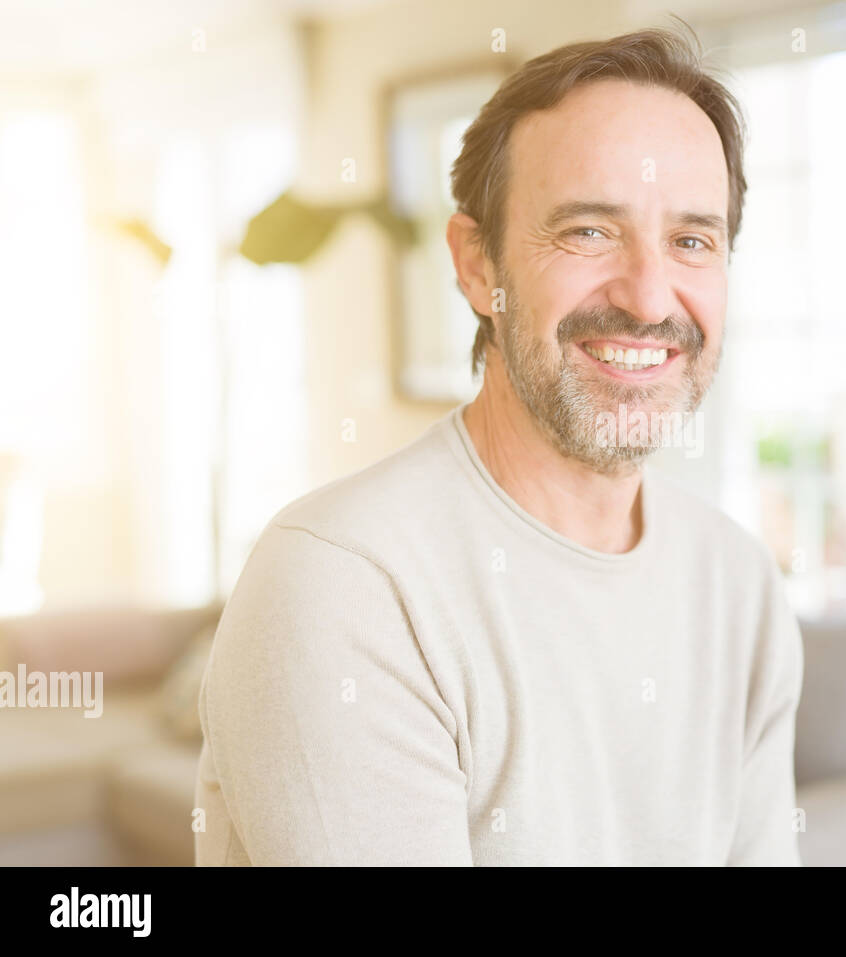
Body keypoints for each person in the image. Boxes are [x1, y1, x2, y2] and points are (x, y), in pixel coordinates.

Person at [194, 22, 804, 866]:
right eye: (589, 231)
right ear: (479, 267)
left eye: (692, 240)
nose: (649, 295)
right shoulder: (345, 583)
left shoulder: (741, 586)